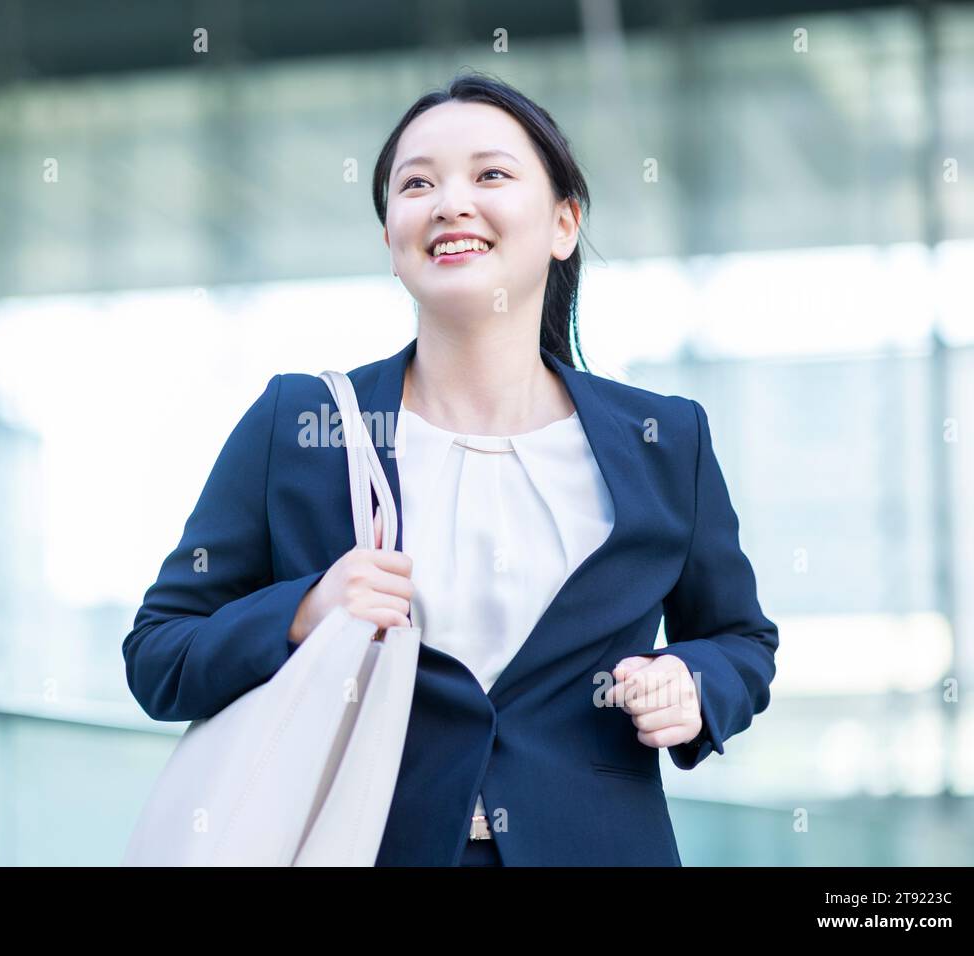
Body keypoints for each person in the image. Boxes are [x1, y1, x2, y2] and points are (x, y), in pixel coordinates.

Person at [123, 70, 779, 867]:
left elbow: (741, 637)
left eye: (491, 174)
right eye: (417, 183)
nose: (450, 202)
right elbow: (159, 655)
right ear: (392, 241)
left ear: (564, 223)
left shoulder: (664, 440)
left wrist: (694, 682)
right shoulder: (299, 426)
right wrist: (306, 610)